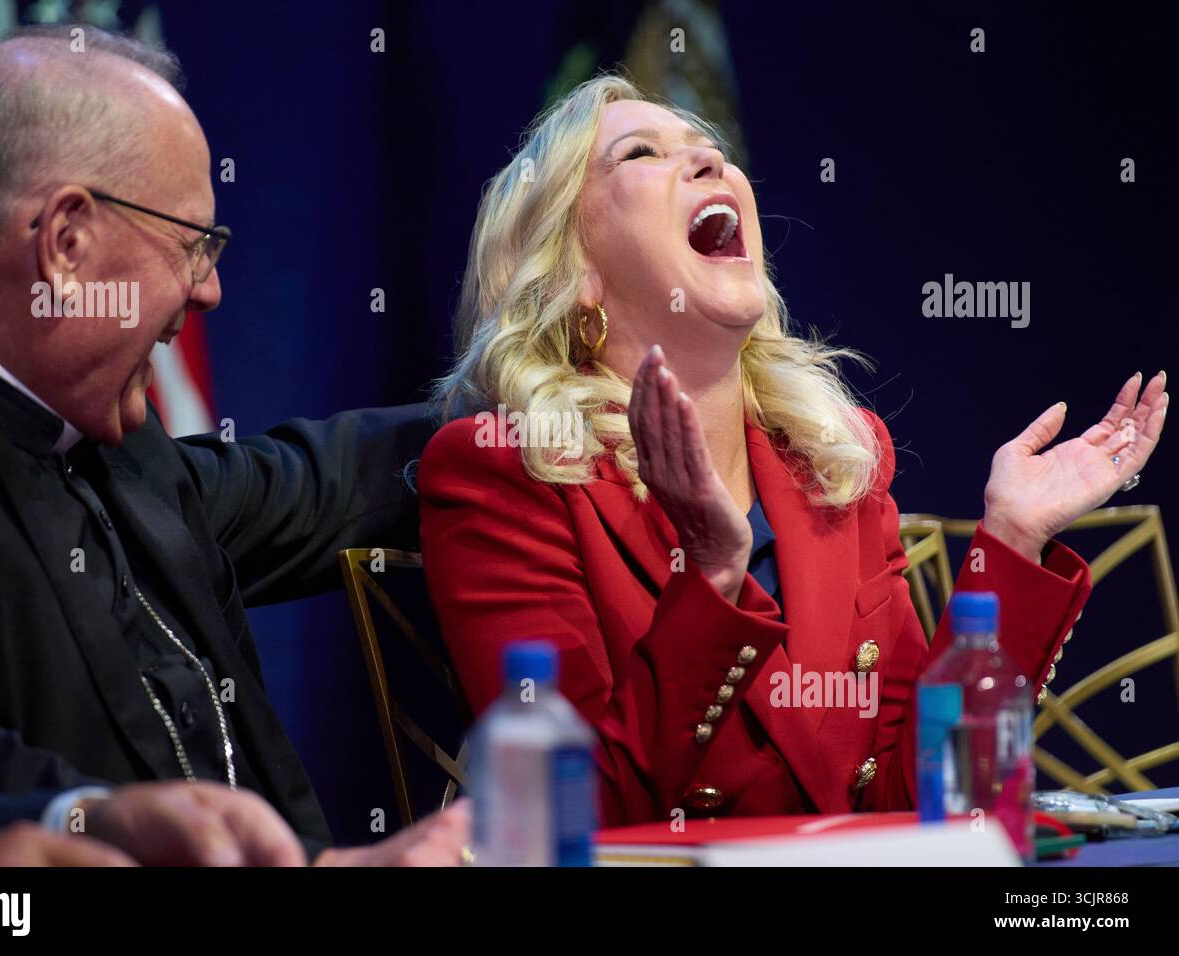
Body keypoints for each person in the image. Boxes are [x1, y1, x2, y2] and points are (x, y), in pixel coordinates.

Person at [418, 75, 1167, 826]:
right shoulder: (504, 471)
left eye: (711, 150)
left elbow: (935, 803)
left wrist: (1011, 539)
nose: (713, 163)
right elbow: (563, 818)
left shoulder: (834, 463)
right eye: (642, 152)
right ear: (575, 272)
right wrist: (711, 574)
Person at [0, 28, 466, 864]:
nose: (212, 289)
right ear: (67, 243)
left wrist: (519, 416)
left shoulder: (114, 443)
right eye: (193, 244)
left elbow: (311, 484)